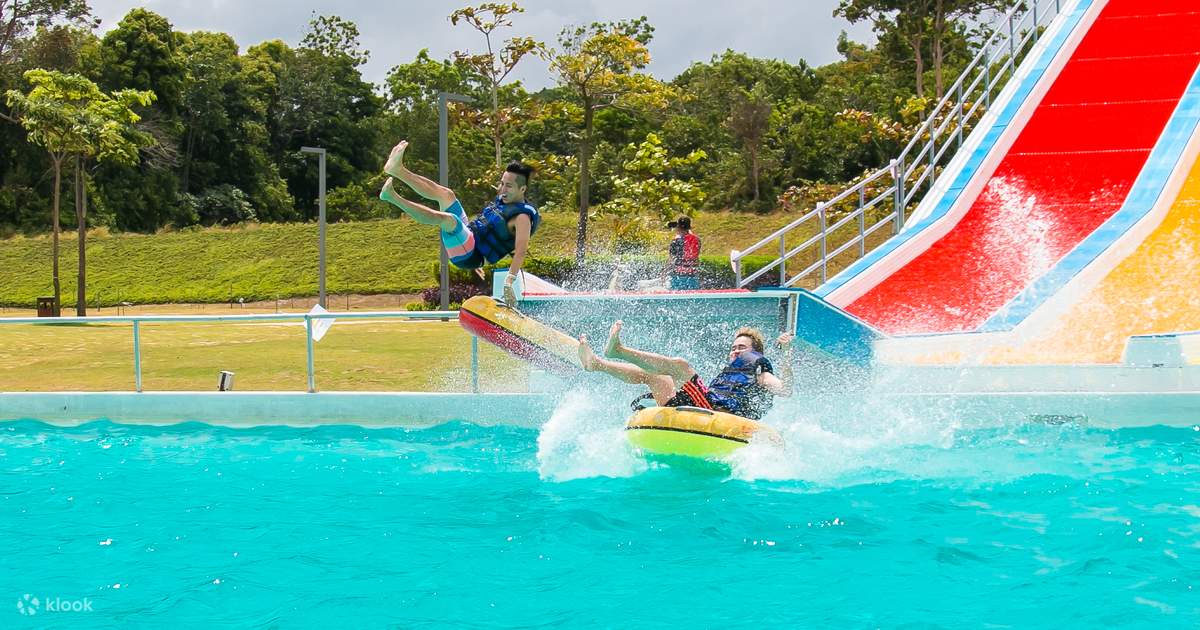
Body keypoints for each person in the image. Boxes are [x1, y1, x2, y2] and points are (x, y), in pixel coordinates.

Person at [379, 140, 538, 304]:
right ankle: (398, 170)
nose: (502, 190)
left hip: (471, 255)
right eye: (502, 183)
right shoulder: (505, 201)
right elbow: (485, 226)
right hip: (469, 238)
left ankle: (393, 197)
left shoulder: (522, 217)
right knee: (447, 195)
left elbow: (521, 251)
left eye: (509, 186)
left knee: (449, 220)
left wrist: (508, 282)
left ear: (522, 189)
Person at [577, 321, 794, 421]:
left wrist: (786, 354)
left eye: (742, 348)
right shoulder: (730, 375)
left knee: (681, 366)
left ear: (754, 354)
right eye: (733, 347)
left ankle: (618, 350)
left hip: (715, 414)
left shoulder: (759, 374)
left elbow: (785, 390)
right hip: (700, 409)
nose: (736, 351)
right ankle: (595, 364)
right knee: (656, 377)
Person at [667, 216, 701, 290]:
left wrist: (664, 273)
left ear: (678, 227)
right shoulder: (697, 240)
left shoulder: (675, 241)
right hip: (693, 276)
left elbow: (671, 260)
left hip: (678, 277)